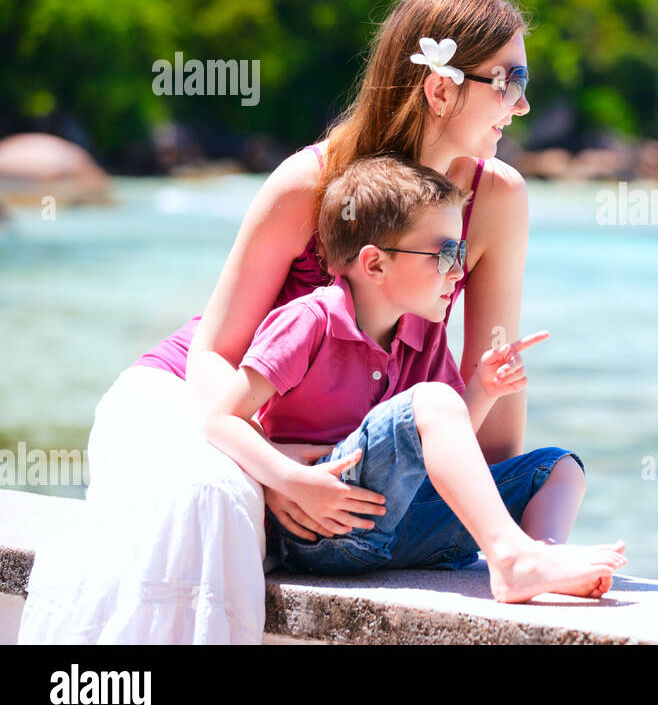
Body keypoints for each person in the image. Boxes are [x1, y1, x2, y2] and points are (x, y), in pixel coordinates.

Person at [19, 0, 591, 643]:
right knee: (216, 500)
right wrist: (280, 473)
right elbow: (213, 355)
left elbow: (490, 443)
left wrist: (462, 489)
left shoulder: (496, 199)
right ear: (440, 89)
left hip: (323, 444)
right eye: (508, 79)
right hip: (196, 399)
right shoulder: (310, 182)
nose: (522, 103)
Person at [203, 152, 626, 600]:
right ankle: (512, 561)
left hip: (404, 529)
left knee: (557, 468)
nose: (459, 270)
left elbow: (442, 446)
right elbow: (219, 420)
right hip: (321, 525)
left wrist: (482, 389)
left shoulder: (423, 334)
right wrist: (289, 481)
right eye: (445, 254)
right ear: (375, 265)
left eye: (460, 252)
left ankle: (540, 557)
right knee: (434, 400)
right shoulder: (309, 321)